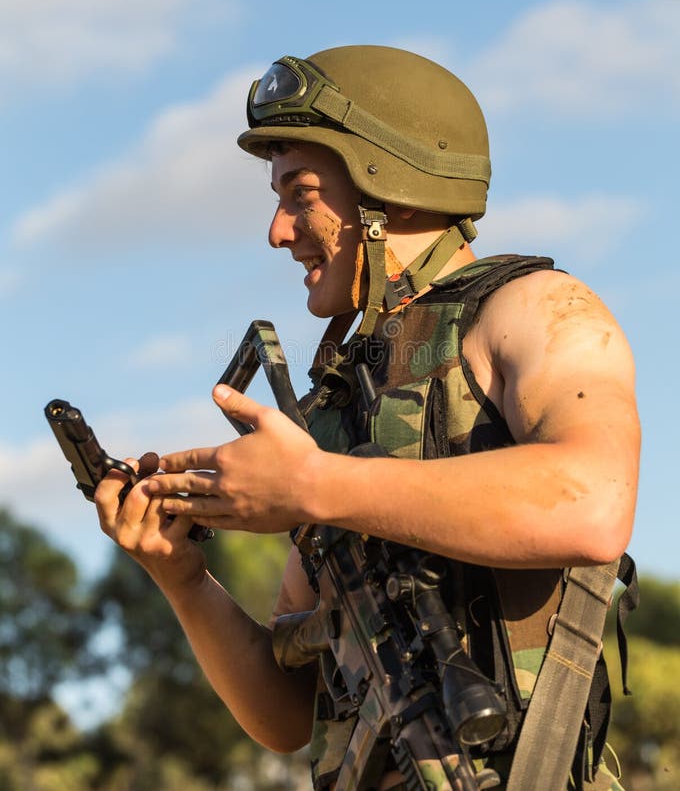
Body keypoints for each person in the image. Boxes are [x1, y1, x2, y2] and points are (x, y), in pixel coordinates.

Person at [94, 46, 640, 790]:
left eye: (302, 195)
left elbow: (594, 503)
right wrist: (181, 575)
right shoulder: (343, 401)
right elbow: (290, 715)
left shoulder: (537, 307)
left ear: (395, 191)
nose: (277, 231)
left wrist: (312, 486)